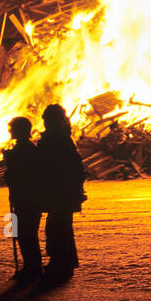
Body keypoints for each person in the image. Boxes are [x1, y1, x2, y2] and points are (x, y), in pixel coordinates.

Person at [35, 104, 86, 281]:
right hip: (59, 193)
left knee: (59, 229)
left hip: (60, 193)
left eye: (48, 119)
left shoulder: (59, 141)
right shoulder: (58, 139)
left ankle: (62, 263)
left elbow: (73, 169)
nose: (46, 123)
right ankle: (63, 262)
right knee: (58, 228)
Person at [1, 116, 44, 281]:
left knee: (26, 234)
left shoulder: (22, 150)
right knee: (25, 233)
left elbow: (17, 175)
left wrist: (10, 162)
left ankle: (32, 268)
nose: (9, 131)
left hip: (27, 198)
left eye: (12, 128)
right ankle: (31, 266)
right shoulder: (27, 148)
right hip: (27, 197)